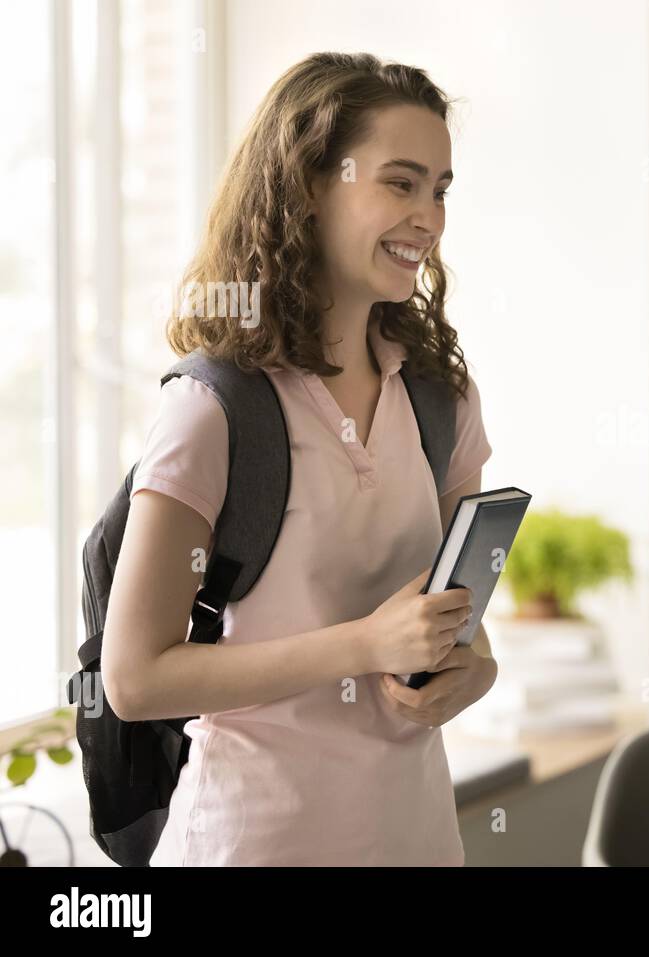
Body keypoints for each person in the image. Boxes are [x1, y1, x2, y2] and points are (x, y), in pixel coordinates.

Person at [101, 52, 494, 865]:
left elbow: (464, 632)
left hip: (419, 841)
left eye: (441, 189)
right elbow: (134, 678)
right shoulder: (212, 409)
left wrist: (472, 674)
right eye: (401, 182)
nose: (430, 217)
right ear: (310, 186)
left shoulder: (439, 396)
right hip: (249, 842)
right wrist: (361, 646)